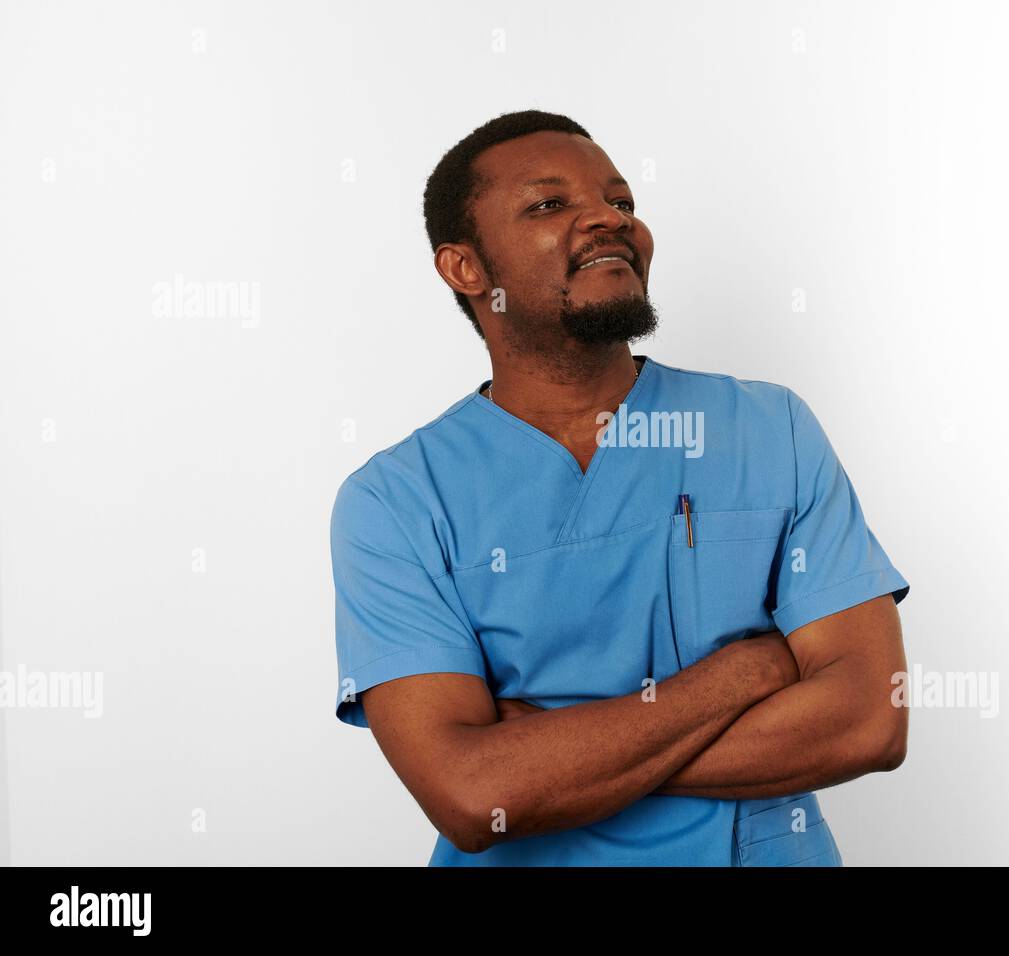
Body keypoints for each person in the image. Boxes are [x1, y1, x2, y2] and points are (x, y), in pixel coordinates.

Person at [330, 110, 911, 866]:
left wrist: (548, 754)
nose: (608, 219)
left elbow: (868, 720)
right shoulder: (396, 500)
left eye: (622, 203)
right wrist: (747, 672)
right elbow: (476, 797)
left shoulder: (768, 430)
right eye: (549, 205)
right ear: (465, 269)